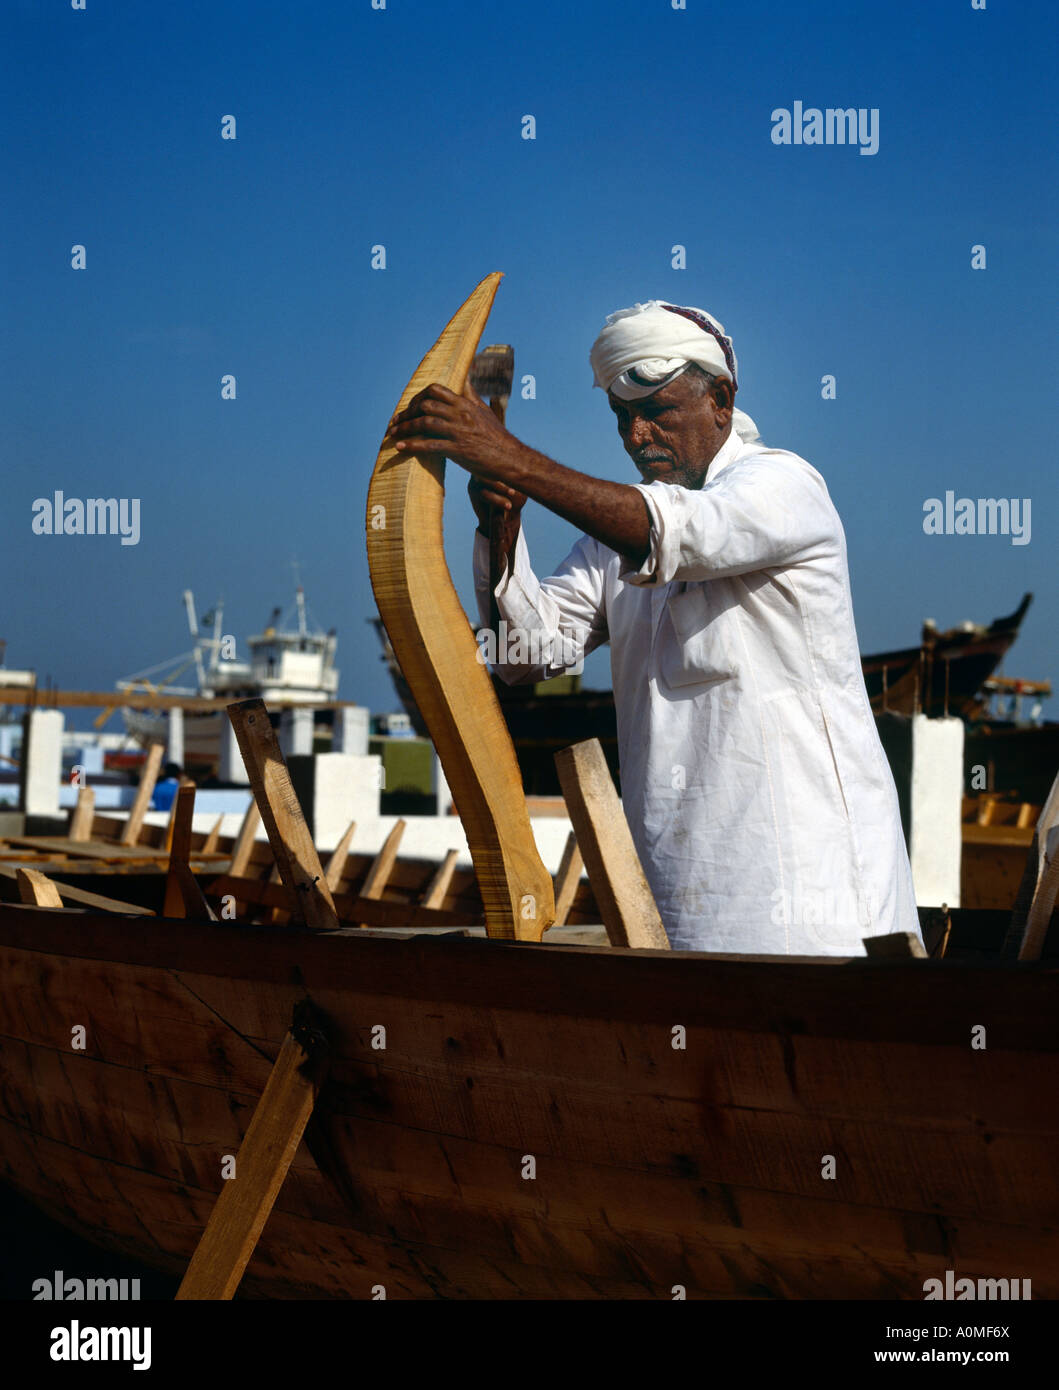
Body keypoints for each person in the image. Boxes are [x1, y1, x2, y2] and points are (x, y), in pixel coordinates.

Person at [386, 299, 921, 955]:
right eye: (621, 418)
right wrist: (500, 527)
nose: (636, 437)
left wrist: (507, 457)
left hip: (818, 913)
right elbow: (522, 656)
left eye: (656, 412)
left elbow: (680, 532)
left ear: (720, 400)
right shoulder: (615, 542)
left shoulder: (783, 486)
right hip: (675, 919)